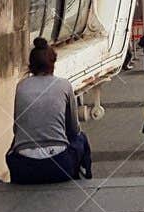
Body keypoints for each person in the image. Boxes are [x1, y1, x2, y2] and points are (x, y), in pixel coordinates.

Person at [7, 37, 93, 184]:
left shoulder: (21, 86)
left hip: (24, 168)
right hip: (59, 165)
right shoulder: (64, 85)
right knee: (81, 138)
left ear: (31, 65)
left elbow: (17, 129)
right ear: (52, 63)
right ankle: (86, 180)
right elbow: (73, 129)